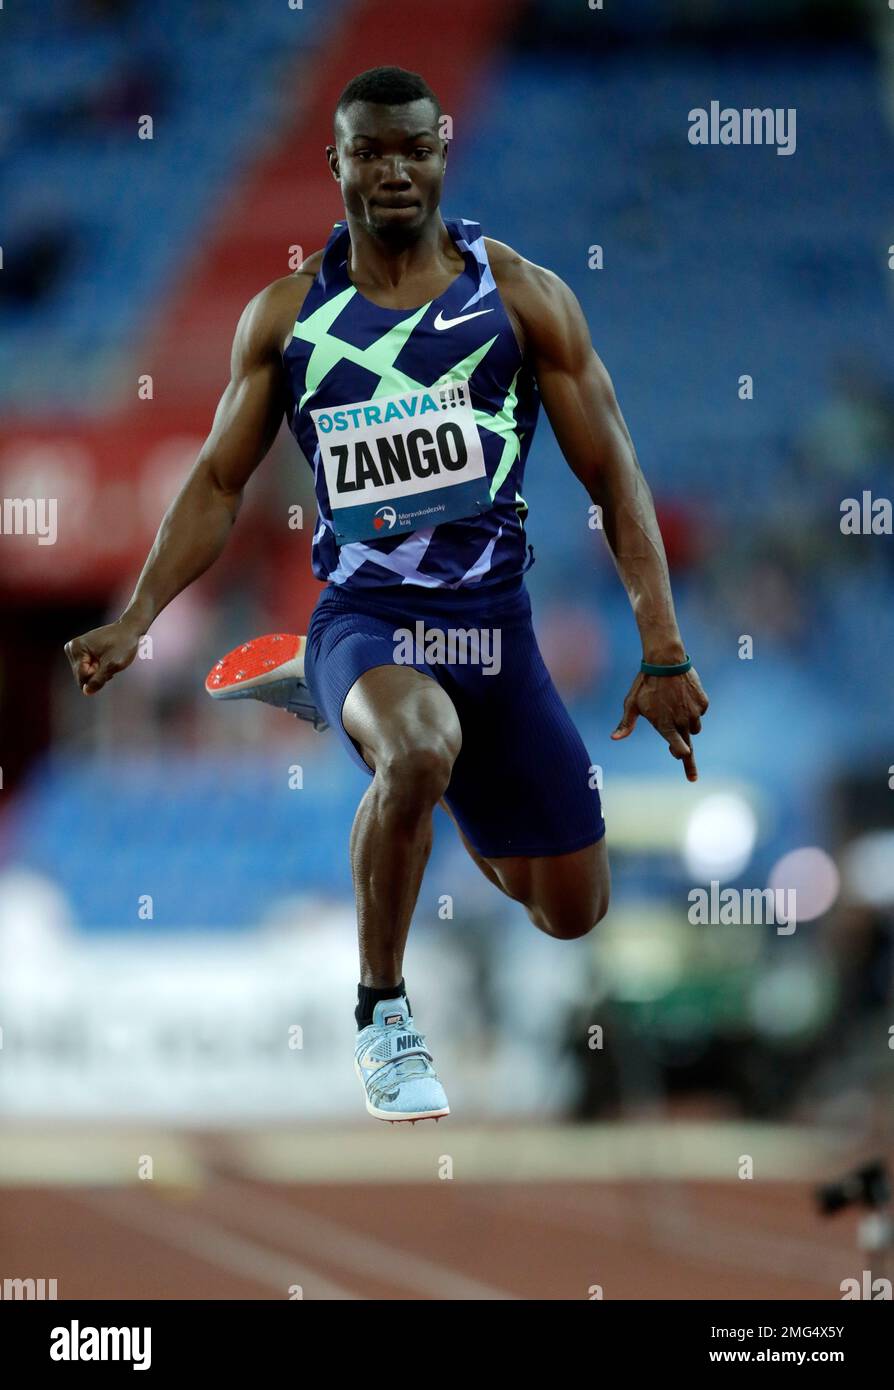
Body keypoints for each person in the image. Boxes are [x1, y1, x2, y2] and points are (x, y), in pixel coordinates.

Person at [65, 66, 709, 1124]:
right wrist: (139, 616)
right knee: (414, 748)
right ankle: (382, 1011)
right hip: (368, 622)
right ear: (337, 165)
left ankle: (395, 751)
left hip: (495, 640)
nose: (396, 169)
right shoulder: (287, 322)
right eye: (372, 151)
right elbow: (220, 481)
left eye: (415, 147)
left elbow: (616, 474)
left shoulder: (522, 298)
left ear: (444, 150)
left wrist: (666, 646)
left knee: (570, 910)